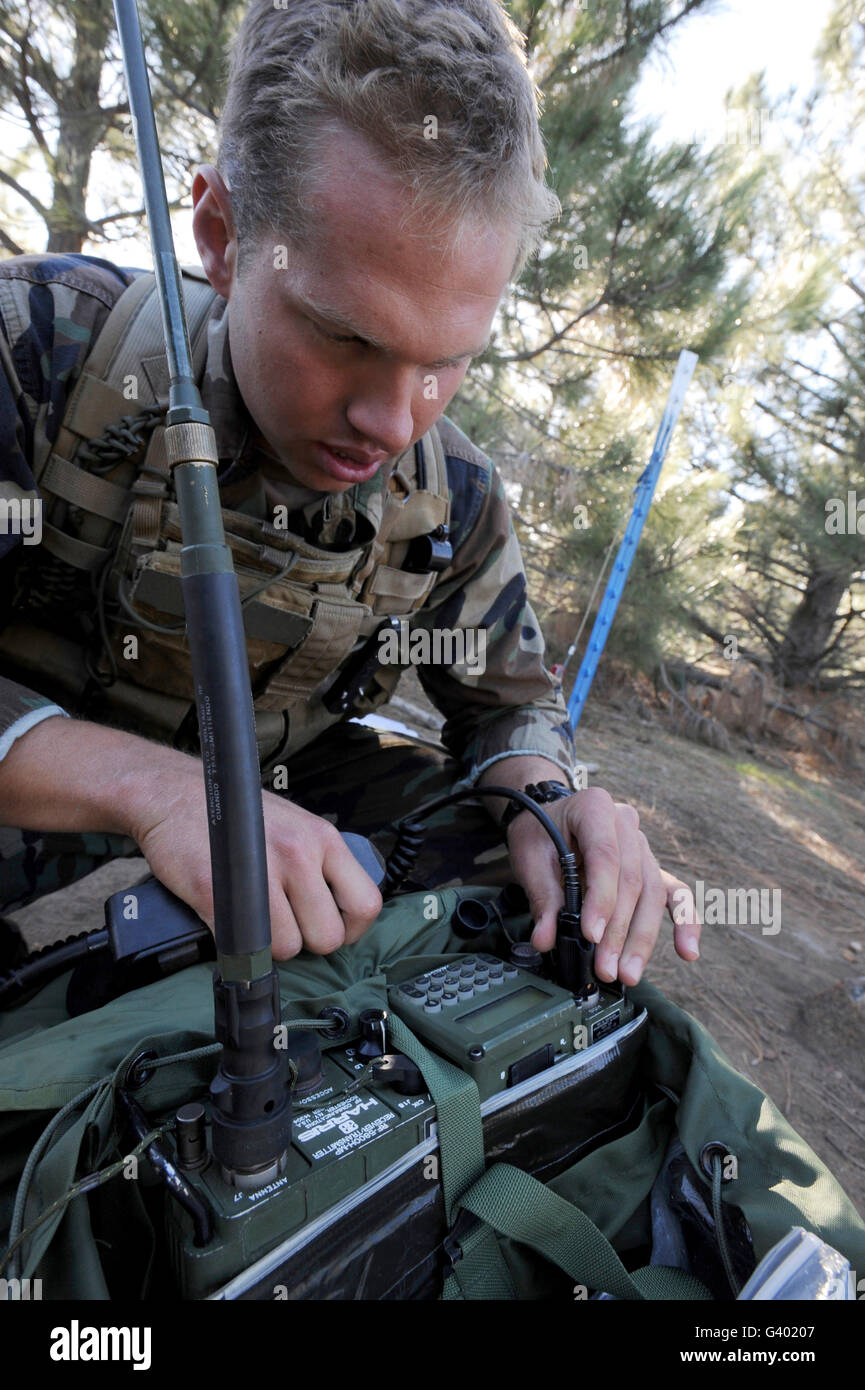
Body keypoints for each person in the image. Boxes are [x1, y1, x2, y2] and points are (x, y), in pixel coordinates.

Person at [0, 0, 700, 985]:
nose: (391, 419)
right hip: (28, 789)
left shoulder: (449, 494)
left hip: (283, 792)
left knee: (519, 877)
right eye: (349, 338)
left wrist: (552, 801)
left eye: (445, 361)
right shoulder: (37, 348)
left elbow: (507, 711)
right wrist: (149, 788)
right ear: (221, 233)